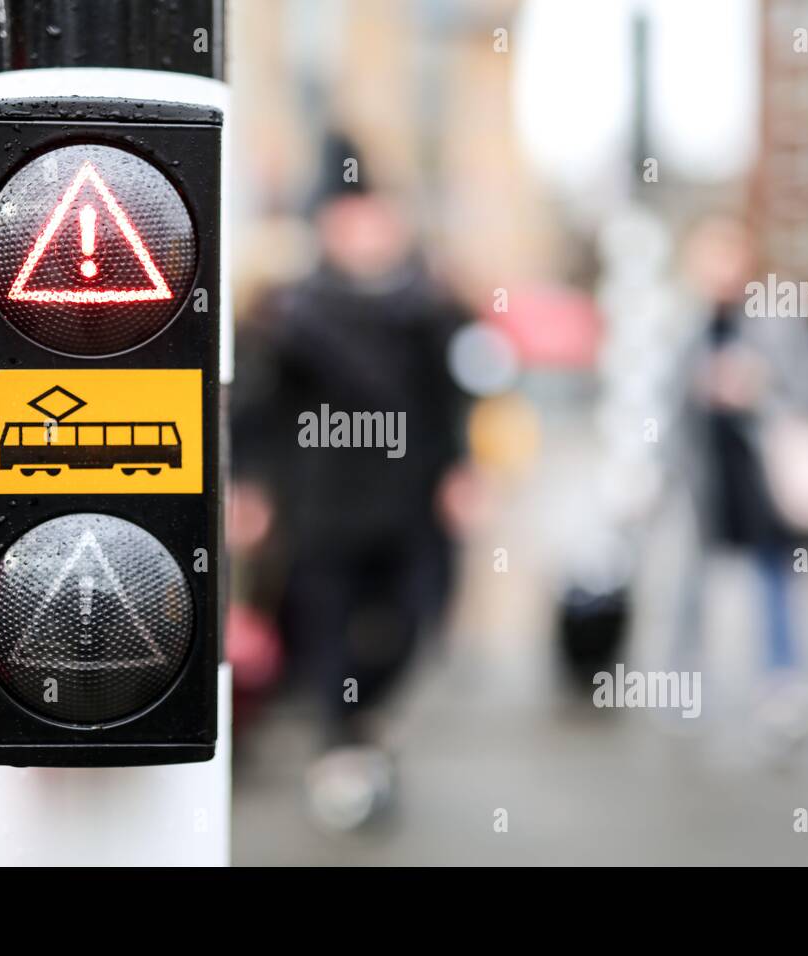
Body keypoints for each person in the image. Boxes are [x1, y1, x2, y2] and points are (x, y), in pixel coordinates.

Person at [231, 134, 469, 830]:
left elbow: (447, 402)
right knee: (325, 631)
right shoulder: (289, 317)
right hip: (322, 505)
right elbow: (256, 409)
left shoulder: (428, 309)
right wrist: (249, 486)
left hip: (409, 506)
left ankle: (361, 723)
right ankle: (341, 750)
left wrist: (459, 470)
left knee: (414, 623)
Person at [669, 216, 808, 750]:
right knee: (689, 583)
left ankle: (783, 684)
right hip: (707, 476)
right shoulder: (688, 324)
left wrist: (755, 387)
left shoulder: (775, 317)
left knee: (773, 576)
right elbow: (669, 407)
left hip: (762, 475)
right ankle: (683, 684)